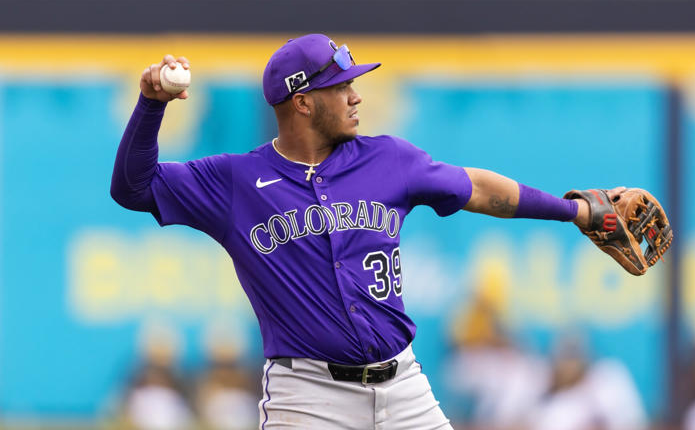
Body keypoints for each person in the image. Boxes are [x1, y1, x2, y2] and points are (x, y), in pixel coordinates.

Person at [110, 33, 621, 429]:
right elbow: (133, 188)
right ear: (303, 102)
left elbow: (479, 189)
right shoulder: (236, 181)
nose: (355, 96)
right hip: (307, 397)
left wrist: (575, 211)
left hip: (404, 387)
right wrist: (152, 104)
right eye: (341, 87)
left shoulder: (389, 159)